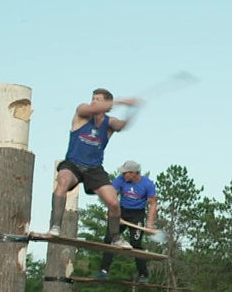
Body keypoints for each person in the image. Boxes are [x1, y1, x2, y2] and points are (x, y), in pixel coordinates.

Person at [48, 88, 141, 245]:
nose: (93, 101)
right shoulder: (82, 112)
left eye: (98, 99)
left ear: (107, 104)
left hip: (94, 169)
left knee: (113, 203)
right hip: (73, 164)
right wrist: (120, 101)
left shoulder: (109, 123)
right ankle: (55, 226)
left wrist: (132, 109)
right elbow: (91, 109)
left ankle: (115, 237)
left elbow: (121, 126)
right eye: (93, 98)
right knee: (63, 180)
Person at [97, 160, 157, 282]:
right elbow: (111, 195)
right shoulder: (120, 180)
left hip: (137, 214)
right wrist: (112, 213)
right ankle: (104, 270)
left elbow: (153, 204)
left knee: (135, 243)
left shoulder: (147, 184)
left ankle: (143, 274)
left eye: (126, 173)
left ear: (133, 173)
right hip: (122, 211)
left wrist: (150, 224)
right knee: (109, 239)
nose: (123, 175)